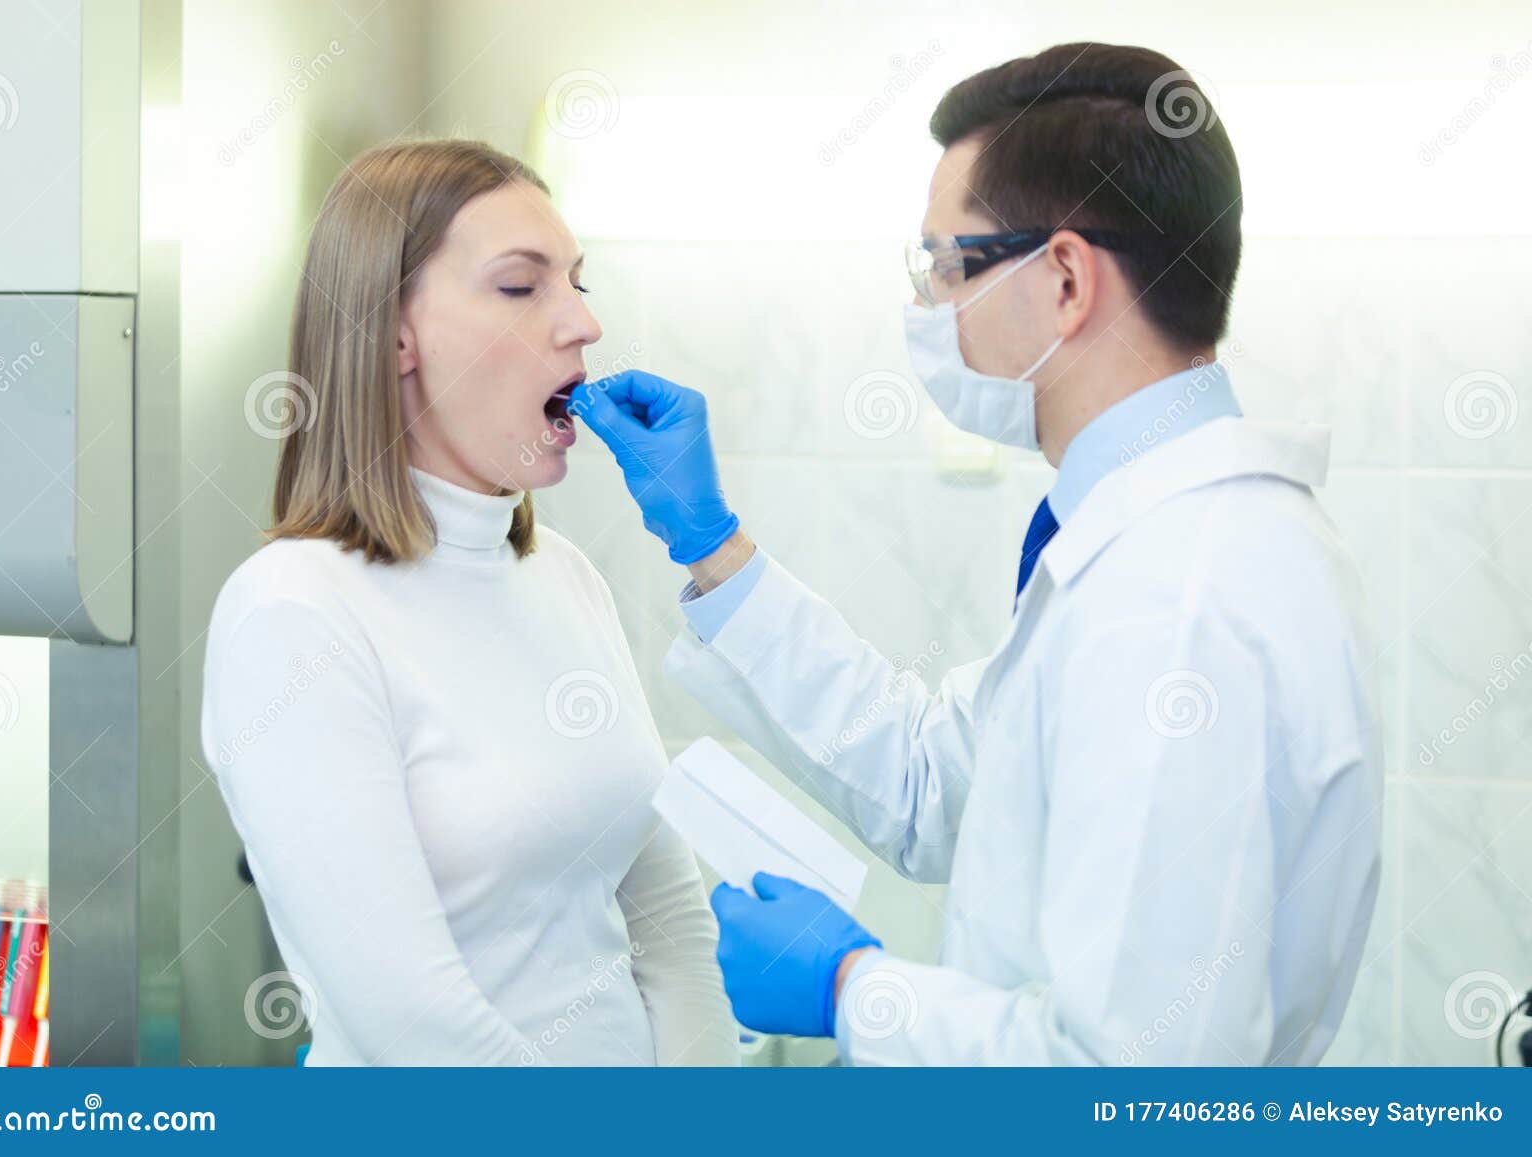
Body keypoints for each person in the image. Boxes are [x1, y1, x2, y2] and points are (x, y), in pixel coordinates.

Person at [570, 43, 1384, 1065]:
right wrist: (712, 546)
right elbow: (939, 780)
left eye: (946, 266)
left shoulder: (1178, 598)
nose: (928, 306)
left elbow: (1132, 1079)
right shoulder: (1160, 547)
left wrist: (853, 990)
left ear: (1064, 278)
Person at [200, 140, 737, 1066]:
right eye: (522, 288)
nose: (583, 323)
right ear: (392, 333)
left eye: (577, 281)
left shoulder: (563, 575)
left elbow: (672, 927)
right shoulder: (293, 613)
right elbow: (413, 1026)